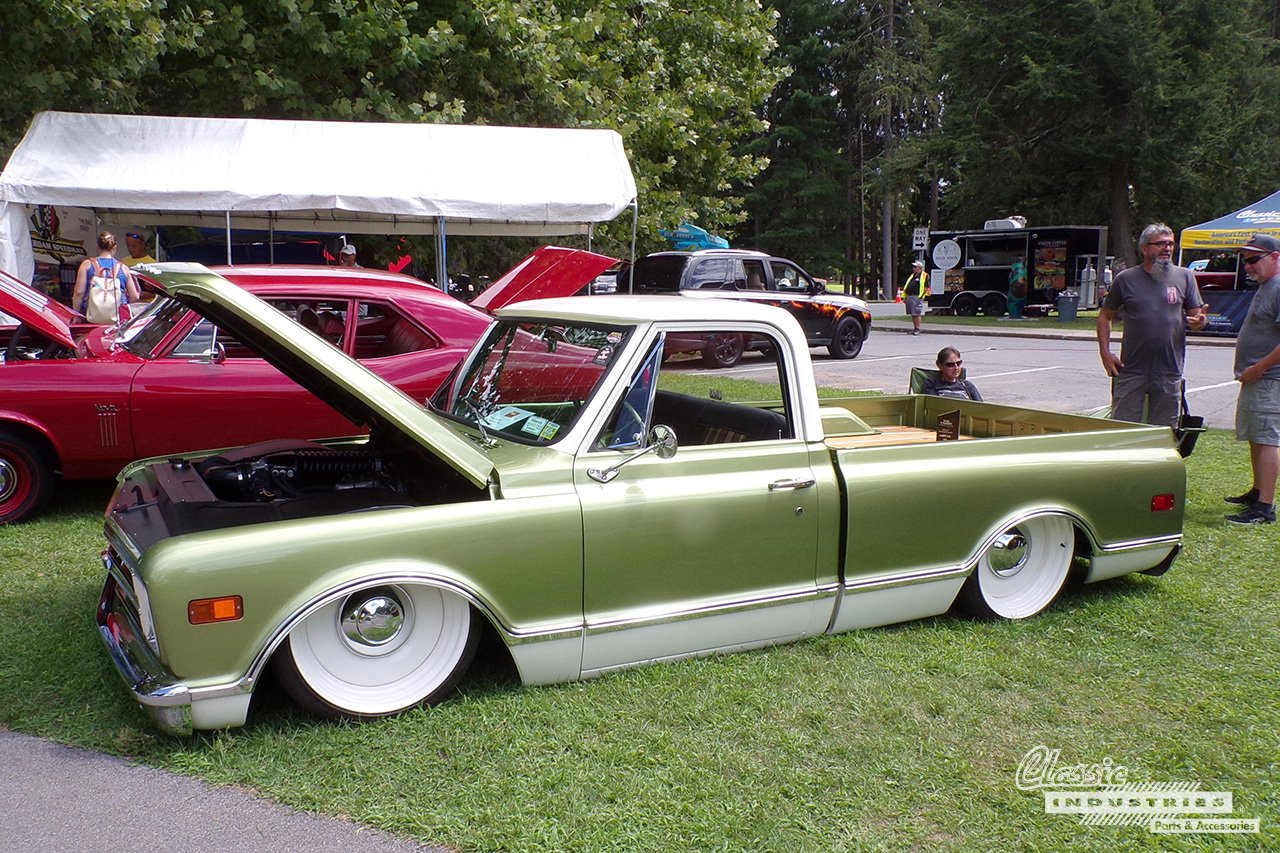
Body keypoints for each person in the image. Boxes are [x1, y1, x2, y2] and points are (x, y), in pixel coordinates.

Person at [1096, 223, 1208, 425]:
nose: (1167, 248)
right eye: (1160, 244)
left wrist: (1199, 322)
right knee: (1123, 428)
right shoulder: (1126, 279)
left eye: (1170, 244)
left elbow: (1197, 318)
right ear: (1144, 248)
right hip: (1132, 369)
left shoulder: (1184, 277)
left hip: (1169, 369)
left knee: (1163, 431)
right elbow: (1105, 316)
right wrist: (1105, 353)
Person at [1224, 234, 1280, 525]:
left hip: (1269, 379)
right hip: (1257, 378)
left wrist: (1259, 368)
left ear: (1275, 257)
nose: (1247, 265)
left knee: (1267, 439)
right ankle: (1258, 492)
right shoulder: (1266, 287)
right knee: (1256, 437)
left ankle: (1264, 508)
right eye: (1245, 260)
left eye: (1254, 259)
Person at [72, 231, 141, 323]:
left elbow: (79, 293)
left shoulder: (87, 265)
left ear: (97, 247)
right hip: (117, 321)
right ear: (114, 248)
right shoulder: (124, 268)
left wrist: (76, 315)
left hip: (90, 319)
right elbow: (134, 297)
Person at [901, 259, 929, 335]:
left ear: (920, 268)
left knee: (917, 313)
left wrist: (921, 296)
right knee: (913, 314)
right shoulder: (912, 276)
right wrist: (905, 297)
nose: (913, 268)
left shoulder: (924, 276)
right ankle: (915, 328)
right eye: (913, 267)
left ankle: (918, 329)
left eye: (915, 267)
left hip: (917, 296)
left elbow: (926, 287)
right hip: (910, 296)